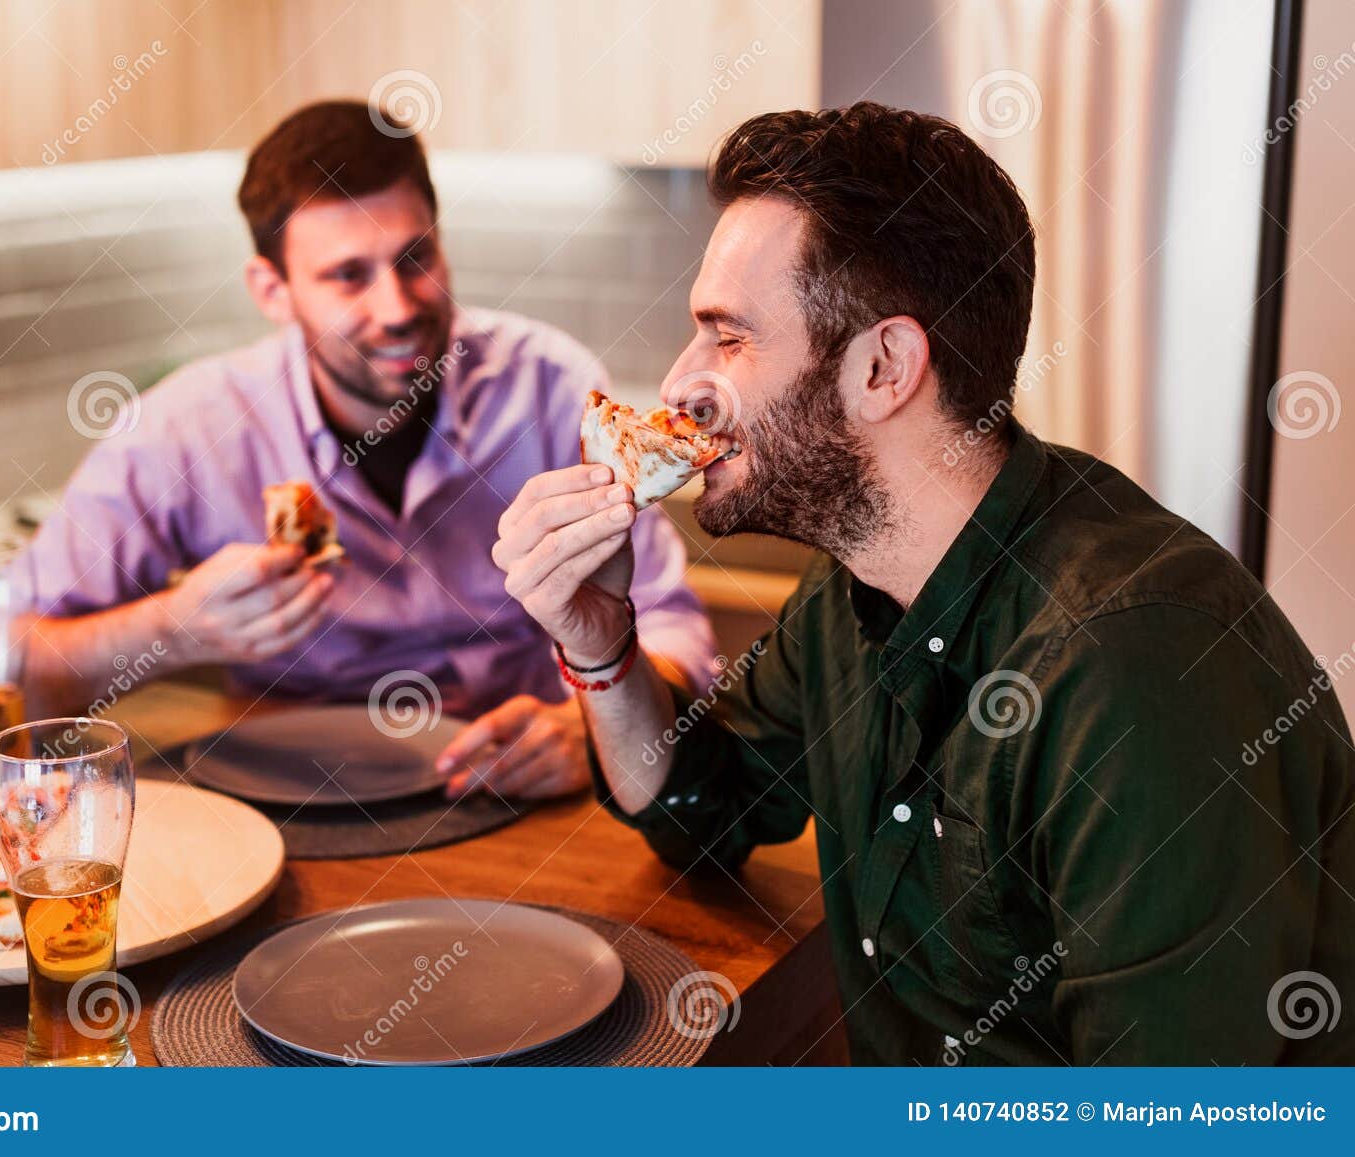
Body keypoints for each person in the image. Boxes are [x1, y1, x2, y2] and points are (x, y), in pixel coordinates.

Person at [493, 102, 1355, 1063]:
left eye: (727, 338)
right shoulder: (851, 587)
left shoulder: (1139, 663)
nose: (681, 383)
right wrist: (601, 642)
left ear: (885, 367)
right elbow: (706, 809)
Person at [0, 99, 714, 801]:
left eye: (416, 258)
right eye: (348, 276)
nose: (397, 307)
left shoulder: (550, 389)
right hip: (285, 808)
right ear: (271, 290)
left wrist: (588, 723)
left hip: (519, 797)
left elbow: (676, 630)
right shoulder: (188, 430)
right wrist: (172, 628)